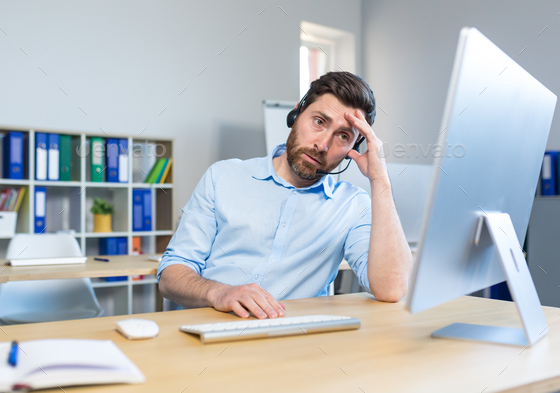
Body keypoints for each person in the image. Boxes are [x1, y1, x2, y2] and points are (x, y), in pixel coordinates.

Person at [157, 71, 412, 319]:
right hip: (207, 332)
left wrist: (380, 181)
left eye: (343, 136)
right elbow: (171, 275)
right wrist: (218, 292)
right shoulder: (222, 176)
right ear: (297, 112)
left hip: (290, 344)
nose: (322, 145)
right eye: (319, 122)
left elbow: (392, 289)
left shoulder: (352, 204)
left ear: (352, 150)